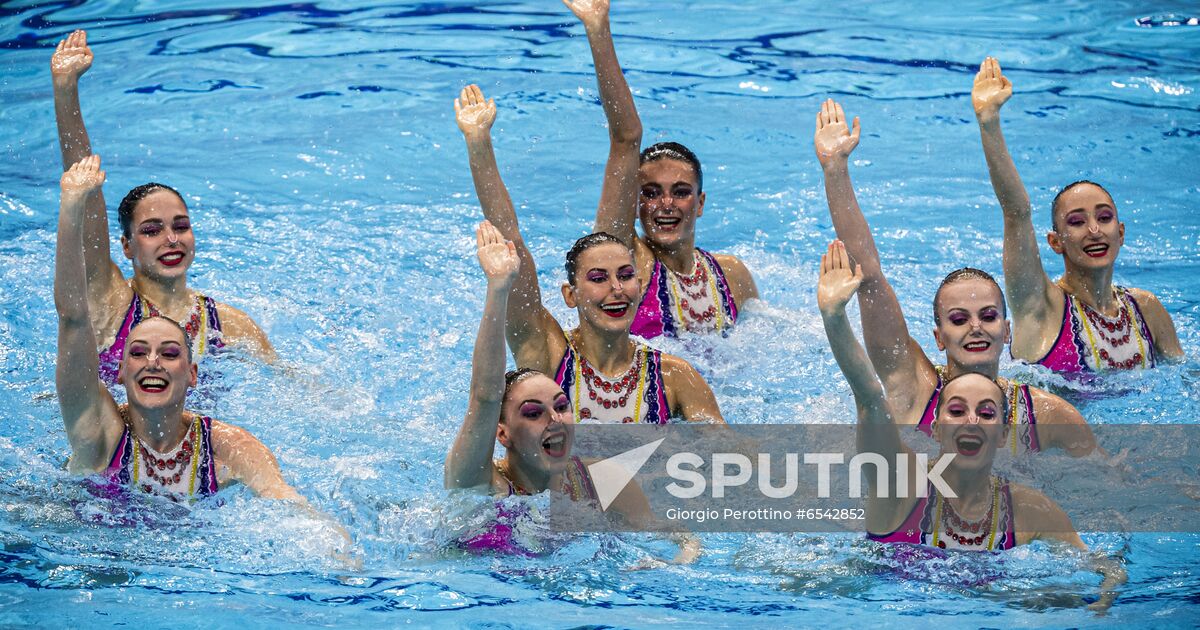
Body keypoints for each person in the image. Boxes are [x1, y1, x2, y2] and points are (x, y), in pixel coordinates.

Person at [817, 241, 1123, 608]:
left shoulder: (1030, 509)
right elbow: (869, 397)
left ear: (1004, 433)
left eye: (987, 413)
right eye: (957, 411)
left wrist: (1102, 601)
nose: (972, 422)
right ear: (936, 428)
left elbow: (1102, 566)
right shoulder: (900, 487)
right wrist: (833, 317)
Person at [814, 99, 1095, 455]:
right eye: (959, 319)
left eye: (988, 316)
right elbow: (869, 277)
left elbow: (1108, 477)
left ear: (1007, 331)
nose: (976, 328)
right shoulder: (913, 388)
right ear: (939, 337)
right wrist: (835, 169)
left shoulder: (1047, 414)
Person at [454, 84, 724, 425]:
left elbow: (726, 450)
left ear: (640, 286)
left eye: (625, 275)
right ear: (571, 295)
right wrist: (478, 143)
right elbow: (512, 241)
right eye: (598, 278)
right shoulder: (549, 356)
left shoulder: (676, 377)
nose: (616, 288)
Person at [444, 221, 699, 563]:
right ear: (502, 433)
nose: (554, 420)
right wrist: (499, 287)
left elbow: (680, 537)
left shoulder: (599, 479)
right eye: (533, 413)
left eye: (561, 406)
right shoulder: (478, 483)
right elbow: (485, 396)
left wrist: (669, 564)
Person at [56, 156, 304, 505]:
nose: (153, 362)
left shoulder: (227, 446)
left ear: (192, 374)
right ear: (119, 371)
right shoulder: (101, 437)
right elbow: (72, 317)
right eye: (138, 352)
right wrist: (71, 202)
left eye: (170, 354)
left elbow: (287, 501)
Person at [51, 30, 275, 384]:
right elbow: (84, 191)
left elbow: (292, 383)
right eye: (151, 230)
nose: (172, 239)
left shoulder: (230, 325)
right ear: (126, 246)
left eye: (181, 226)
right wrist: (66, 89)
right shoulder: (111, 303)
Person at [971, 56, 1183, 374]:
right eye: (1077, 222)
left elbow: (1188, 381)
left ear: (1121, 233)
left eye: (1104, 218)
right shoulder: (1040, 307)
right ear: (1056, 242)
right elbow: (1016, 212)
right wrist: (989, 122)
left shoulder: (1147, 310)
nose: (1094, 230)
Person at [563, 0, 755, 338]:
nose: (666, 204)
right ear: (635, 203)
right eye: (651, 193)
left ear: (700, 203)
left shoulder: (732, 274)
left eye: (680, 192)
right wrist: (598, 29)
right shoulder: (626, 266)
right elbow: (626, 138)